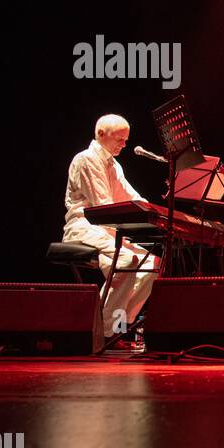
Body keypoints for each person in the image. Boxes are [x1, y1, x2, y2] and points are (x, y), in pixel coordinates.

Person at [63, 114, 161, 342]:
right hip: (84, 228)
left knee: (153, 265)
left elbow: (131, 196)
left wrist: (157, 212)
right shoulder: (86, 159)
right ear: (100, 135)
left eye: (126, 140)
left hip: (106, 229)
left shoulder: (113, 164)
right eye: (120, 139)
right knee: (127, 262)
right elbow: (103, 207)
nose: (124, 145)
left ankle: (114, 325)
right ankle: (103, 331)